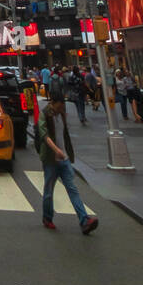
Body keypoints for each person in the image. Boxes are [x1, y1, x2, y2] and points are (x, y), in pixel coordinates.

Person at [37, 95, 98, 235]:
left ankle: (84, 220)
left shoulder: (61, 114)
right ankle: (47, 217)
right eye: (59, 106)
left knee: (72, 189)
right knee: (48, 191)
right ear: (52, 103)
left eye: (62, 106)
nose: (61, 109)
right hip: (50, 160)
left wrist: (64, 152)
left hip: (64, 159)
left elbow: (63, 134)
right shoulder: (44, 114)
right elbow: (44, 135)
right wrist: (56, 150)